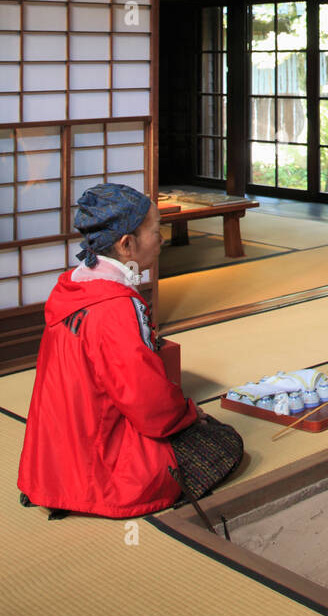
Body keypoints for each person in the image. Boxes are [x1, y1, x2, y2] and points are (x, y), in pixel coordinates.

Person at [18, 183, 243, 518]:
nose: (162, 240)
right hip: (100, 470)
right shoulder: (115, 307)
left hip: (48, 460)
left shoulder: (71, 288)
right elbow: (148, 405)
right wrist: (191, 413)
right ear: (126, 244)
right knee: (226, 443)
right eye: (156, 231)